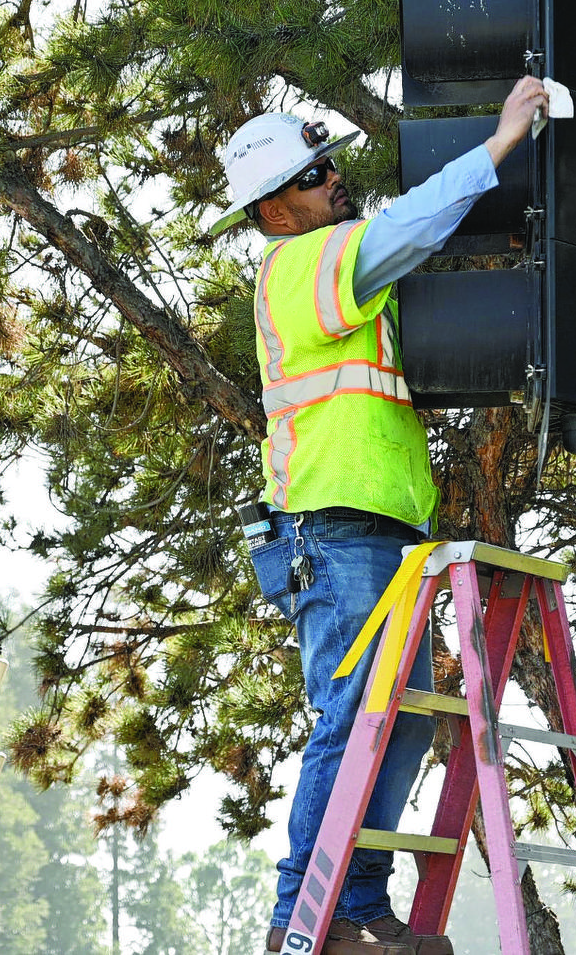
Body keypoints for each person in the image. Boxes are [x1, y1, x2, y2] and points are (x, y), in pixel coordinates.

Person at [208, 76, 551, 955]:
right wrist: (502, 143)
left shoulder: (327, 265)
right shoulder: (302, 264)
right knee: (353, 715)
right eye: (317, 174)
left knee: (390, 720)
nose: (335, 182)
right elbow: (407, 228)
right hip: (334, 527)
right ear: (275, 206)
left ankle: (354, 904)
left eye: (327, 169)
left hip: (377, 530)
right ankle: (303, 916)